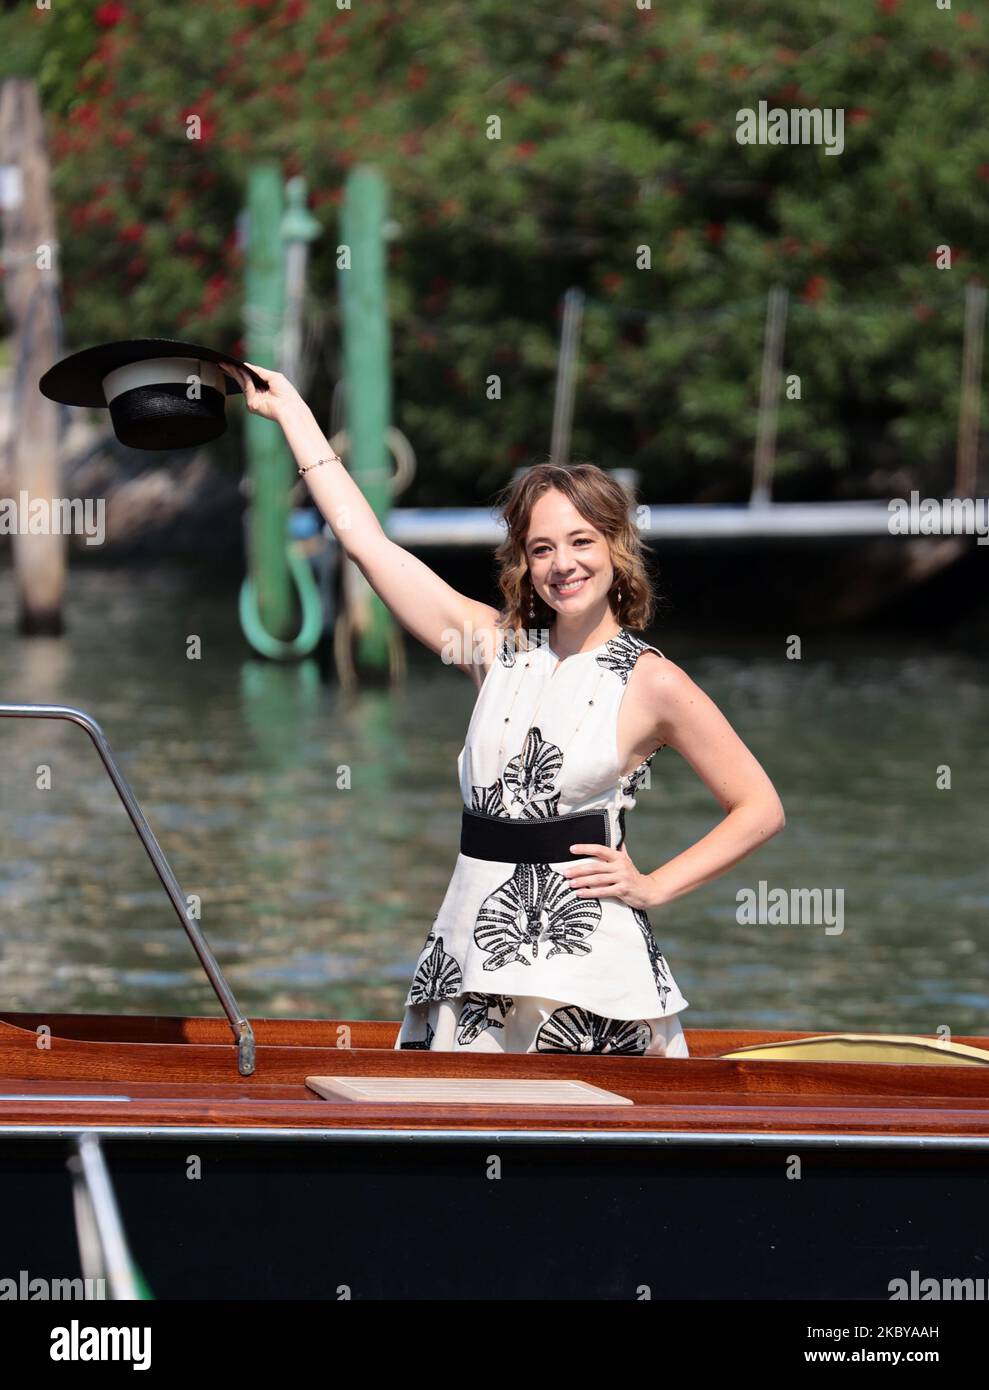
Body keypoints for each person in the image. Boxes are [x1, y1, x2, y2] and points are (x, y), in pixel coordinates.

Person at [220, 360, 786, 1058]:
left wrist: (653, 884)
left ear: (616, 547)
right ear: (523, 559)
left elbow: (759, 807)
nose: (562, 564)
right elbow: (366, 544)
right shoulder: (492, 648)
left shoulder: (651, 681)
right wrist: (293, 415)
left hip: (586, 976)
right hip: (468, 953)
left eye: (581, 541)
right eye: (541, 547)